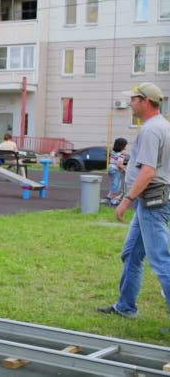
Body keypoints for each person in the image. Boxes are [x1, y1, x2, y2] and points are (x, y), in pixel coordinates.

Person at [98, 83, 170, 325]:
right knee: (131, 254)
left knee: (161, 261)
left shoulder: (151, 130)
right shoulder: (162, 126)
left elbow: (149, 172)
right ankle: (125, 306)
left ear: (146, 102)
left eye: (133, 99)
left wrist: (125, 200)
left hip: (152, 202)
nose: (130, 103)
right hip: (150, 200)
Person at [107, 137, 128, 206]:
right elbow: (119, 164)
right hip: (116, 169)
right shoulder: (121, 154)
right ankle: (114, 201)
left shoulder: (113, 152)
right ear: (122, 146)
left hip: (110, 168)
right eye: (125, 145)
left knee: (113, 183)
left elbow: (114, 161)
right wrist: (125, 169)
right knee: (117, 185)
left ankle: (110, 196)